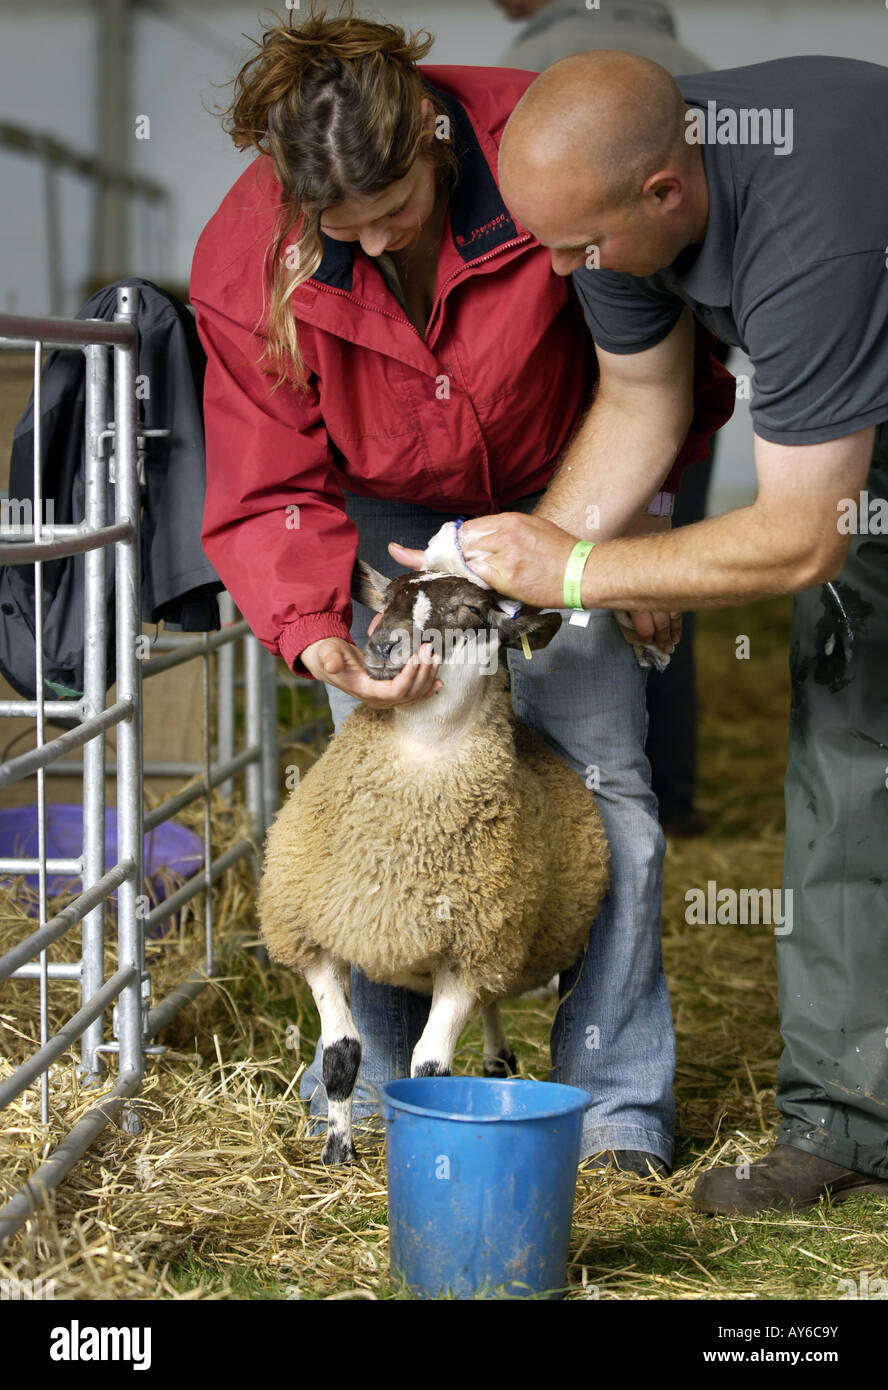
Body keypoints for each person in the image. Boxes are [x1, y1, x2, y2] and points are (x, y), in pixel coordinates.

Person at [189, 9, 733, 1176]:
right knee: (385, 791)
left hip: (572, 481)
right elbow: (263, 473)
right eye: (344, 226)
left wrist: (642, 517)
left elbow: (656, 342)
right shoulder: (250, 256)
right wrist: (312, 631)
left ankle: (614, 1108)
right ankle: (382, 1096)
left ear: (432, 138)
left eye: (395, 208)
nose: (376, 241)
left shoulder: (542, 148)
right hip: (385, 513)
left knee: (607, 781)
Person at [425, 49, 888, 1212]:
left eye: (578, 248)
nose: (561, 271)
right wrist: (509, 591)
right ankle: (847, 1121)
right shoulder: (616, 212)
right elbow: (641, 401)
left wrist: (584, 567)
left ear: (667, 192)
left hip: (844, 430)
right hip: (859, 427)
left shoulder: (810, 227)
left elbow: (802, 539)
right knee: (850, 732)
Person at [492, 0, 721, 836]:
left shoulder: (533, 76)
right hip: (675, 379)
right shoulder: (684, 69)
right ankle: (670, 796)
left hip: (570, 390)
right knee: (656, 583)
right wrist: (648, 514)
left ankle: (552, 799)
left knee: (597, 585)